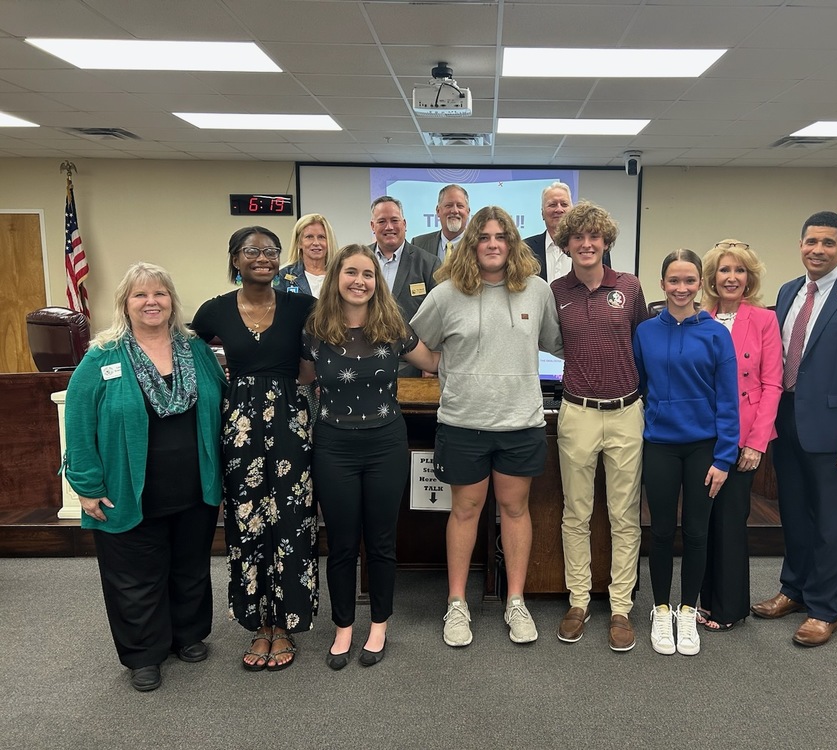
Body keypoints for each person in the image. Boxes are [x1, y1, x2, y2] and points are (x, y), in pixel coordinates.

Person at [64, 262, 226, 692]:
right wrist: (86, 486)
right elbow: (78, 424)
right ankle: (144, 654)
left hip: (194, 487)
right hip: (128, 490)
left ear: (171, 301)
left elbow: (223, 408)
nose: (151, 301)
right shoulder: (102, 355)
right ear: (125, 304)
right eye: (140, 295)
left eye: (159, 293)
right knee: (135, 576)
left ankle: (188, 635)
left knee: (189, 567)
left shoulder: (197, 352)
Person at [410, 205, 563, 647]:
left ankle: (515, 601)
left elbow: (556, 341)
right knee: (465, 511)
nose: (493, 243)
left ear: (512, 243)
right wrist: (438, 365)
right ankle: (456, 604)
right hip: (463, 422)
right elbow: (414, 342)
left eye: (501, 236)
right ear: (472, 244)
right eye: (484, 237)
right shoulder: (445, 293)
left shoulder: (537, 291)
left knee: (516, 511)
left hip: (519, 422)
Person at [751, 211, 837, 647]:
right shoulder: (789, 290)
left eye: (828, 243)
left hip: (836, 431)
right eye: (811, 241)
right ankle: (794, 590)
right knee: (793, 514)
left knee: (832, 523)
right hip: (788, 420)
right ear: (800, 244)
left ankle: (825, 609)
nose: (818, 250)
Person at [303, 244, 440, 669]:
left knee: (381, 542)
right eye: (351, 272)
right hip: (333, 447)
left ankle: (379, 623)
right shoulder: (315, 328)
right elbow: (303, 377)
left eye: (367, 273)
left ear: (376, 281)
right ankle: (343, 626)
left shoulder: (394, 325)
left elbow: (433, 361)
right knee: (342, 544)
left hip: (385, 445)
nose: (359, 280)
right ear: (337, 278)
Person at [192, 226, 319, 672]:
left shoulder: (303, 305)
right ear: (235, 258)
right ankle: (259, 623)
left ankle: (284, 624)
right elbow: (187, 351)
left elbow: (315, 361)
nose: (262, 258)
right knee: (246, 521)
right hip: (240, 426)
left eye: (270, 251)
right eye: (252, 251)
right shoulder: (215, 310)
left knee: (290, 519)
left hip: (289, 422)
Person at [633, 249, 740, 657]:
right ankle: (661, 609)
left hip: (704, 448)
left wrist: (724, 457)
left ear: (701, 284)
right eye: (673, 281)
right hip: (659, 444)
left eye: (689, 281)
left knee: (697, 532)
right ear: (662, 284)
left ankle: (687, 609)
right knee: (660, 532)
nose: (681, 288)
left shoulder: (716, 334)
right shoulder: (645, 332)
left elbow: (729, 401)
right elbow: (640, 387)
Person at [549, 202, 646, 652]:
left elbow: (643, 345)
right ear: (565, 243)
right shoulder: (555, 291)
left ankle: (621, 607)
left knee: (624, 516)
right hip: (577, 413)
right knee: (577, 513)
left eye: (594, 238)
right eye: (577, 238)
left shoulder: (629, 287)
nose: (586, 245)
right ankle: (579, 601)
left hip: (626, 412)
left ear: (606, 242)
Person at [697, 240, 783, 632]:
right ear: (712, 278)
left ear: (749, 278)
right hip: (702, 435)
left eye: (740, 271)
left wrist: (755, 443)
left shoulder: (764, 320)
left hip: (743, 437)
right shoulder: (699, 318)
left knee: (731, 521)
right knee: (703, 521)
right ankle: (703, 600)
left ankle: (729, 607)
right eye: (724, 270)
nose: (731, 277)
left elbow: (772, 385)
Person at [368, 195, 441, 376]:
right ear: (372, 226)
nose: (389, 227)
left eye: (394, 220)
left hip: (412, 365)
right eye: (382, 221)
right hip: (365, 361)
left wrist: (430, 361)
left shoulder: (429, 263)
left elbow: (441, 315)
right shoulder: (360, 260)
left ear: (405, 224)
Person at [524, 182, 612, 281]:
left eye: (564, 204)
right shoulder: (526, 248)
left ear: (572, 211)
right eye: (552, 205)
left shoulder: (592, 248)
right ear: (542, 213)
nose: (559, 209)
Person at [275, 213, 338, 297]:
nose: (316, 243)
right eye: (309, 237)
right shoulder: (283, 276)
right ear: (299, 243)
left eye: (321, 237)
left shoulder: (339, 274)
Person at [411, 184, 471, 262]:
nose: (455, 211)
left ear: (468, 211)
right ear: (438, 211)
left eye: (460, 206)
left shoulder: (478, 245)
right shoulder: (418, 245)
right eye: (449, 205)